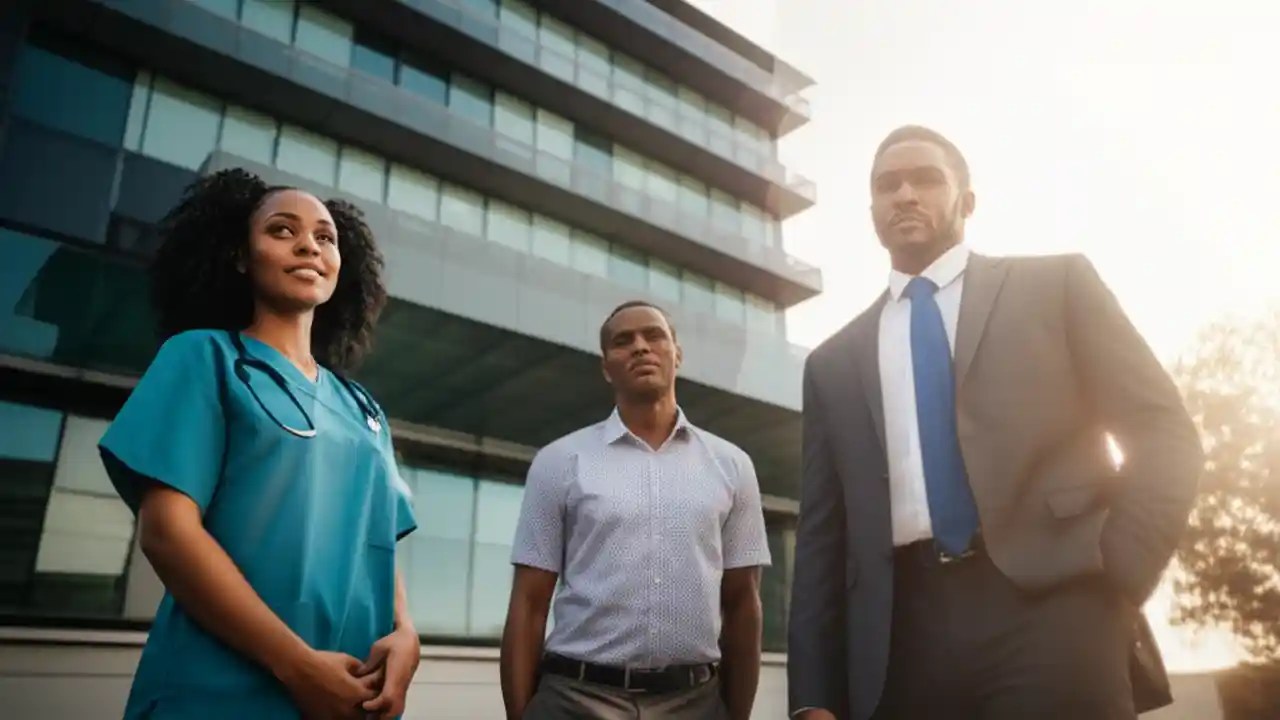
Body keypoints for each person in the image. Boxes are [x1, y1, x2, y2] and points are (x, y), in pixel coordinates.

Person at [787, 126, 1203, 720]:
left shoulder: (1056, 287)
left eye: (926, 179)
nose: (904, 194)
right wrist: (813, 695)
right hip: (902, 635)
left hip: (1054, 606)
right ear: (872, 211)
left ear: (968, 200)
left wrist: (1118, 569)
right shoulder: (833, 363)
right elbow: (824, 538)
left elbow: (1163, 431)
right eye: (887, 185)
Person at [97, 169, 421, 719]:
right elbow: (168, 533)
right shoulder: (203, 358)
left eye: (325, 237)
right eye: (281, 230)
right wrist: (296, 665)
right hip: (217, 693)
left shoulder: (363, 408)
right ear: (241, 257)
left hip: (349, 696)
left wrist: (406, 635)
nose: (308, 246)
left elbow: (378, 542)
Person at [500, 301, 771, 720]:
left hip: (695, 703)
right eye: (623, 342)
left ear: (676, 353)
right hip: (574, 699)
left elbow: (743, 605)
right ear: (607, 367)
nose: (641, 348)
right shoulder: (559, 461)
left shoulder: (733, 466)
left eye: (654, 335)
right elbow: (529, 604)